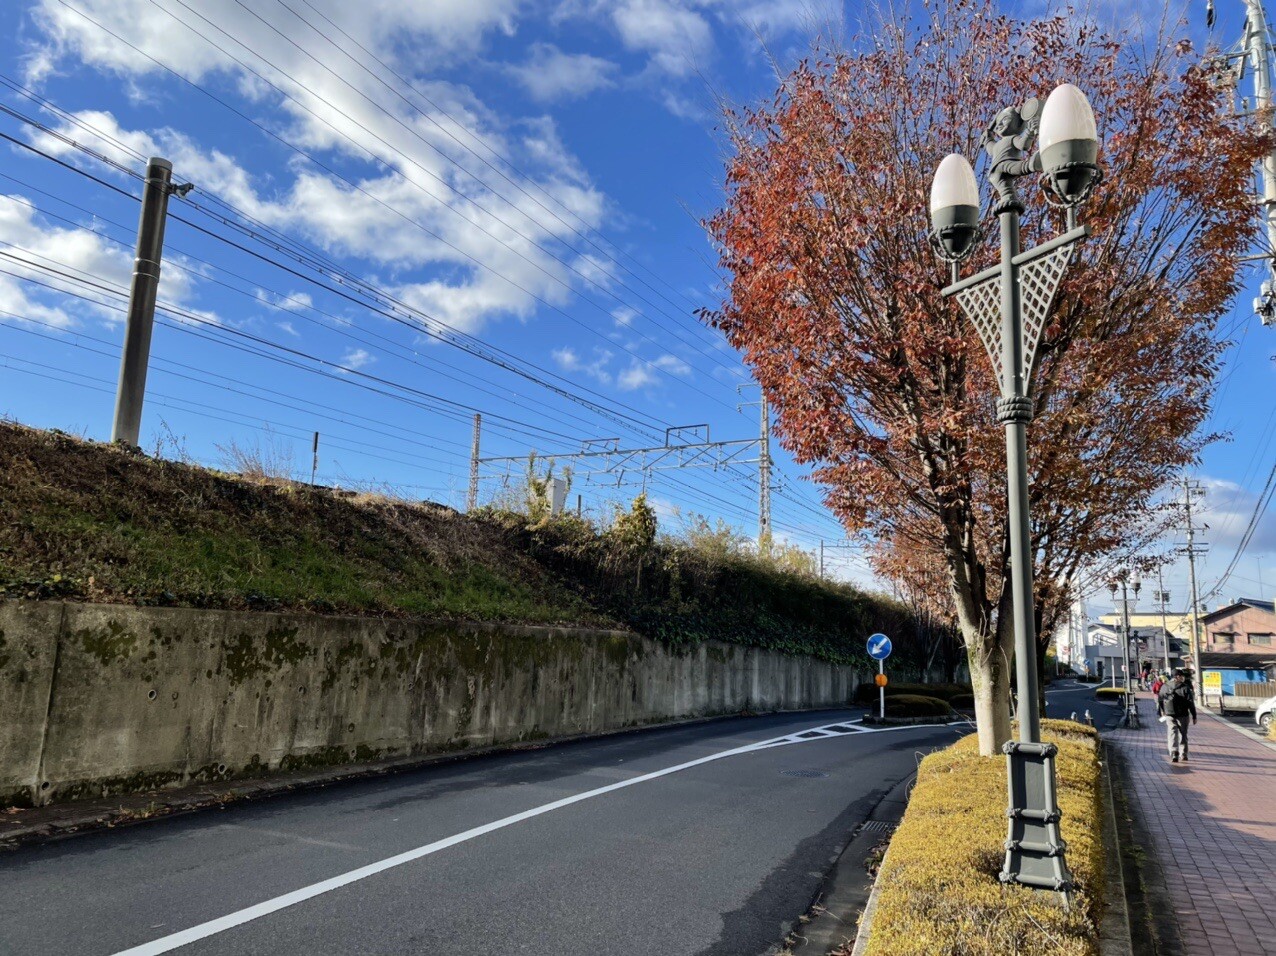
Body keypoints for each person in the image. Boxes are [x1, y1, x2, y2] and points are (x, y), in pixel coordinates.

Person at [1156, 669, 1197, 763]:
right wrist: (1194, 716)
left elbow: (1160, 699)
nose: (1182, 677)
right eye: (1181, 676)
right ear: (1177, 676)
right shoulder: (1185, 687)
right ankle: (1184, 754)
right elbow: (1190, 703)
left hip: (1169, 714)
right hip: (1183, 715)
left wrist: (1163, 711)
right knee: (1183, 734)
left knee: (1172, 733)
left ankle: (1174, 752)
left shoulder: (1165, 686)